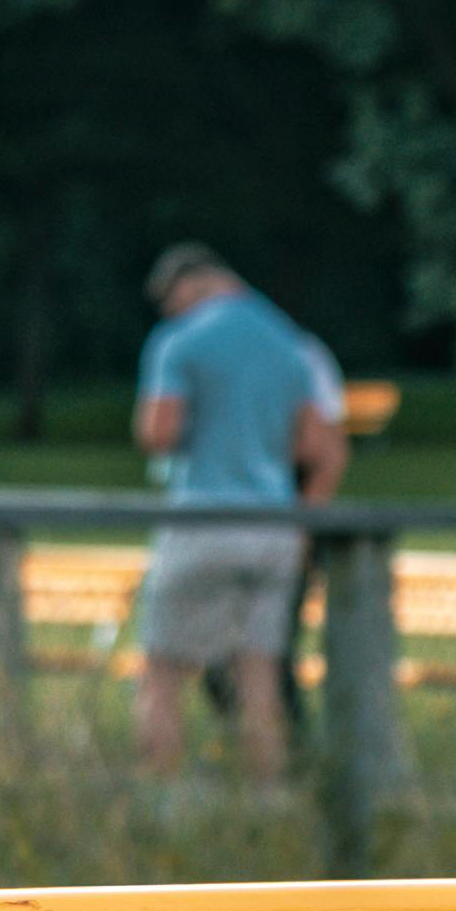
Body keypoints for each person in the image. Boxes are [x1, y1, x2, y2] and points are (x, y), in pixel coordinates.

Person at [128, 242, 345, 774]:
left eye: (172, 303)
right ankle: (270, 799)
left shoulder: (180, 341)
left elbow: (158, 433)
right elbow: (316, 448)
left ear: (191, 287)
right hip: (273, 525)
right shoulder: (292, 346)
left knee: (163, 670)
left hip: (202, 519)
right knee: (259, 675)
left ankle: (159, 795)